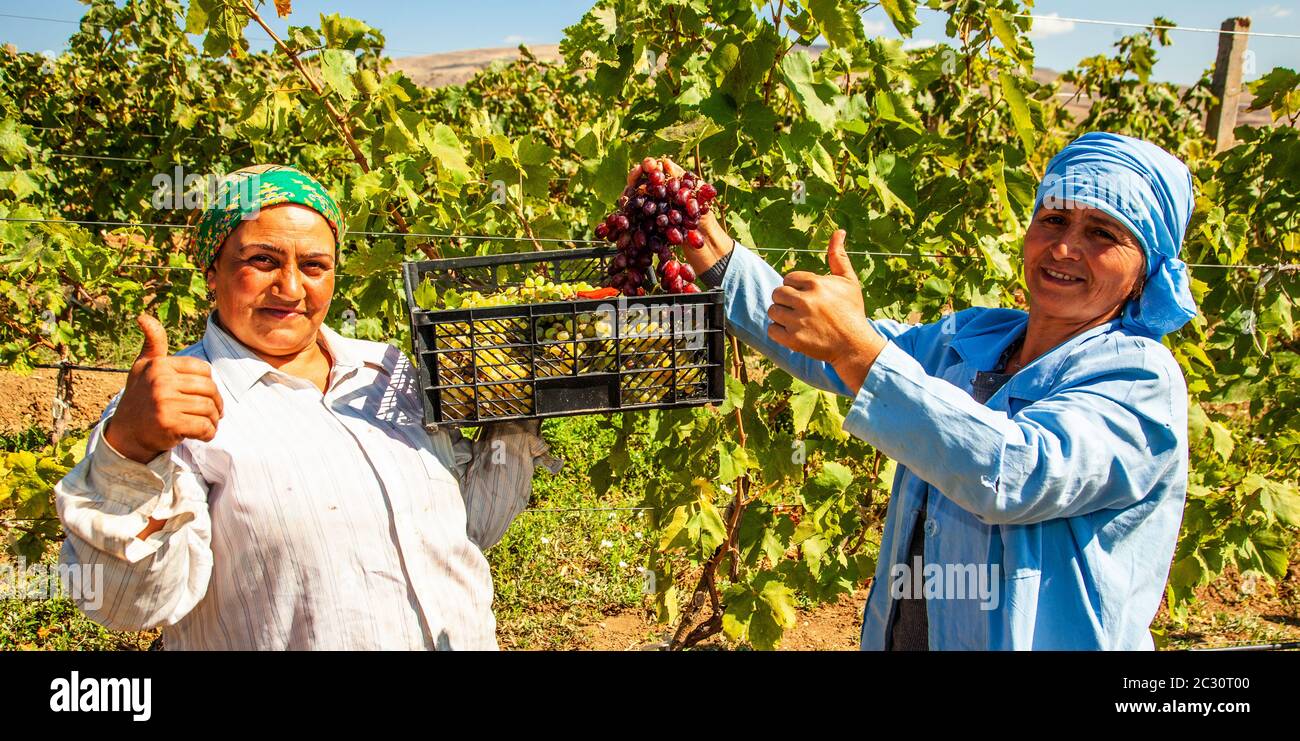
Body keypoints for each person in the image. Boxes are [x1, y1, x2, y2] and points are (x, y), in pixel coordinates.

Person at [653, 131, 1196, 649]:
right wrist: (710, 245)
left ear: (1145, 266)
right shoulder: (978, 339)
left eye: (1102, 233)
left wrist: (856, 348)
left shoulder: (1140, 378)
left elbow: (1018, 472)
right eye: (1053, 220)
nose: (1064, 249)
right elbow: (830, 352)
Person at [55, 165, 550, 650]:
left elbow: (467, 532)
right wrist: (131, 452)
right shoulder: (176, 408)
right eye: (263, 261)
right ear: (212, 271)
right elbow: (129, 606)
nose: (291, 288)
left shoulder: (388, 373)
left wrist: (518, 409)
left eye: (314, 266)